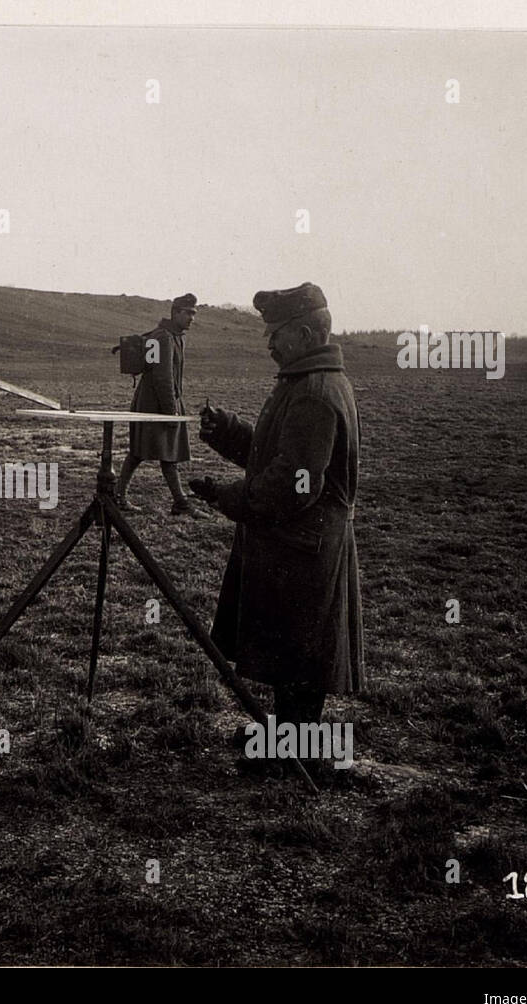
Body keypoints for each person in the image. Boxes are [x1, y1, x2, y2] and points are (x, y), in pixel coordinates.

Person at [190, 282, 363, 763]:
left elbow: (293, 484)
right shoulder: (306, 381)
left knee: (301, 660)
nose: (268, 344)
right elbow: (276, 456)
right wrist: (227, 432)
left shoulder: (314, 393)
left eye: (276, 334)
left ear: (305, 333)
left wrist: (231, 498)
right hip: (302, 543)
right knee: (294, 657)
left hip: (304, 546)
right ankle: (287, 742)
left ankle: (296, 754)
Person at [115, 293, 210, 518]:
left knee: (156, 451)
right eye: (188, 313)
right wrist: (171, 410)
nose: (192, 318)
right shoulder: (162, 338)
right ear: (175, 312)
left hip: (163, 400)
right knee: (154, 451)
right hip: (153, 402)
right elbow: (161, 376)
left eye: (194, 313)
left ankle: (124, 496)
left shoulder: (176, 337)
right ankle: (179, 503)